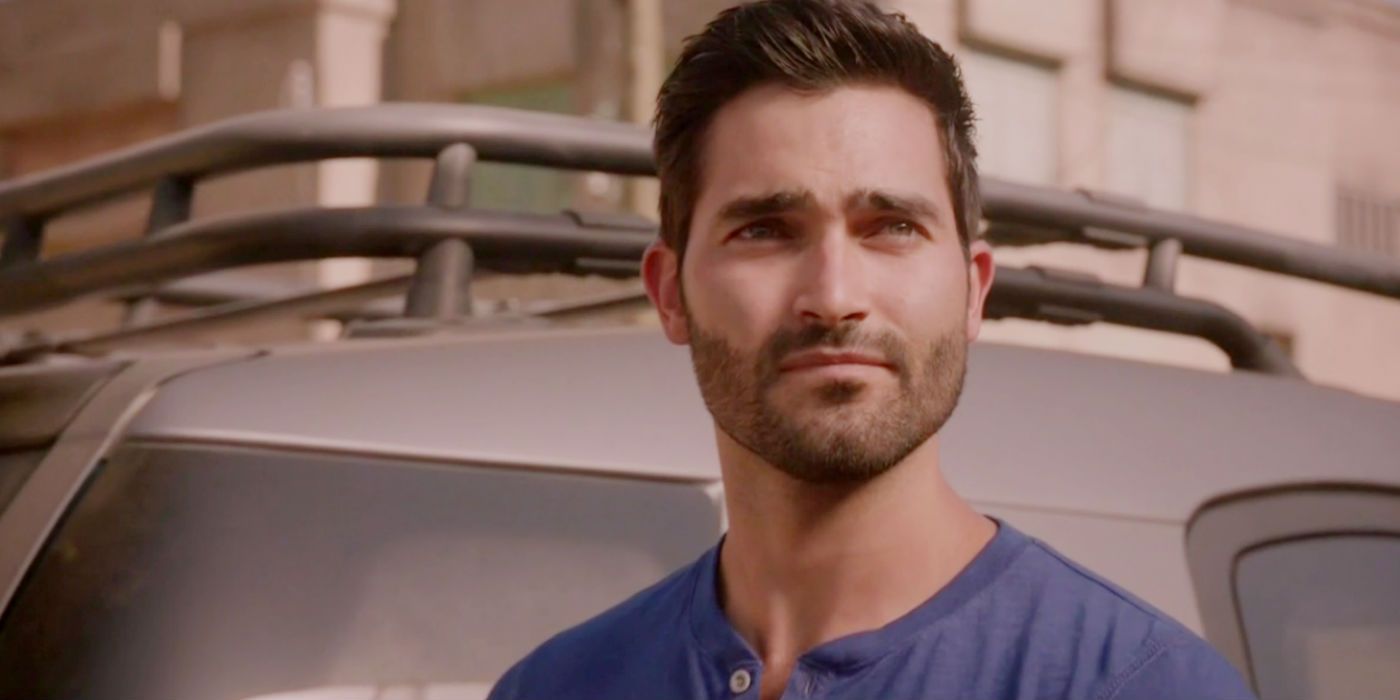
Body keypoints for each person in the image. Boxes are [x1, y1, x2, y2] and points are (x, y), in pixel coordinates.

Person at [488, 1, 1256, 698]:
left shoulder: (1144, 686)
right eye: (764, 230)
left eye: (892, 227)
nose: (833, 295)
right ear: (670, 293)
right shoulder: (553, 689)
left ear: (973, 291)